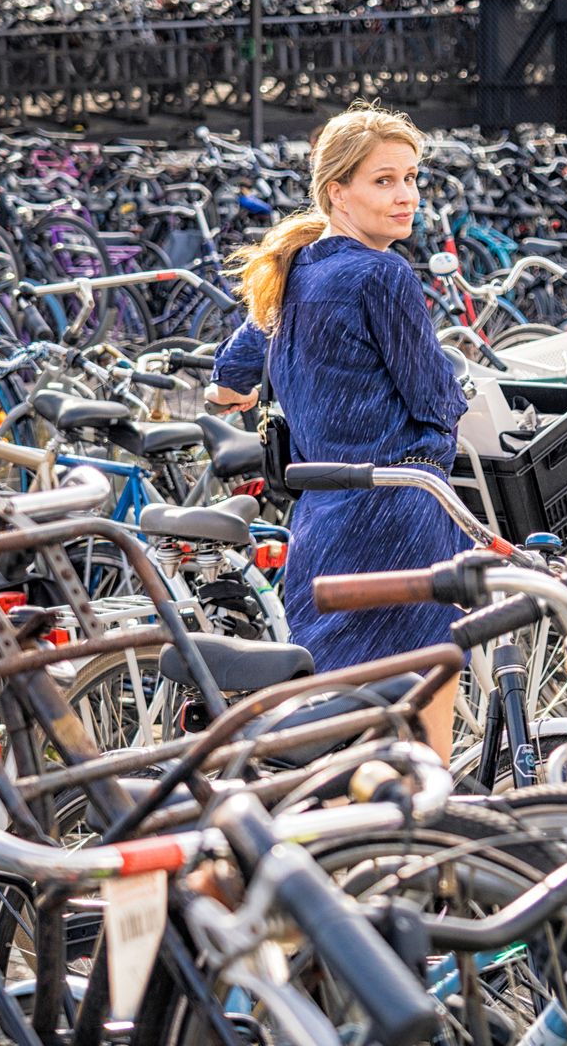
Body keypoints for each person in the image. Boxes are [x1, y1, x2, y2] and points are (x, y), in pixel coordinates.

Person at [205, 104, 468, 758]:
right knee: (425, 700)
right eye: (384, 180)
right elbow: (437, 402)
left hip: (321, 523)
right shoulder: (382, 274)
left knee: (333, 729)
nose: (407, 195)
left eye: (411, 178)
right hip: (398, 514)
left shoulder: (293, 269)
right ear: (337, 192)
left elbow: (229, 376)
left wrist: (238, 394)